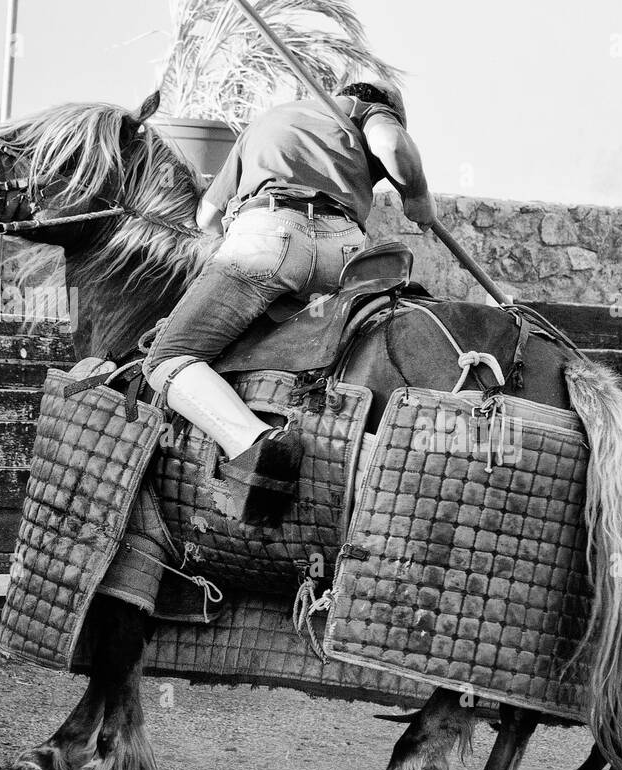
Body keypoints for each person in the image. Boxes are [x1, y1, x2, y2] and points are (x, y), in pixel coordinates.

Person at [143, 80, 434, 521]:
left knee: (168, 358)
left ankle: (253, 441)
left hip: (267, 237)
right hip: (345, 253)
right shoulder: (364, 112)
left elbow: (206, 219)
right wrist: (418, 197)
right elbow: (391, 146)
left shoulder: (270, 120)